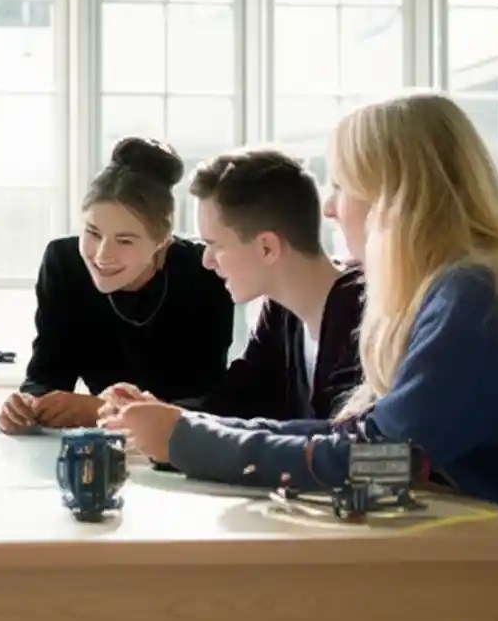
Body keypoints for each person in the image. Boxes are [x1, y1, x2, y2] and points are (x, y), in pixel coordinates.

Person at [98, 91, 498, 621]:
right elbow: (365, 440)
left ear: (395, 199)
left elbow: (381, 462)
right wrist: (187, 430)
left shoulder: (473, 299)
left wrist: (189, 440)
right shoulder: (473, 286)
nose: (330, 208)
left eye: (343, 187)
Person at [107, 147, 364, 421]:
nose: (206, 261)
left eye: (214, 245)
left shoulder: (366, 317)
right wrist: (153, 413)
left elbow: (342, 445)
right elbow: (235, 402)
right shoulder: (279, 313)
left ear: (267, 247)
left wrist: (176, 429)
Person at [0, 137, 235, 434]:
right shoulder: (64, 263)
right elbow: (47, 374)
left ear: (161, 240)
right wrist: (27, 405)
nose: (101, 256)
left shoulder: (203, 273)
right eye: (93, 233)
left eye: (124, 240)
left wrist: (102, 409)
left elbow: (209, 402)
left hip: (177, 451)